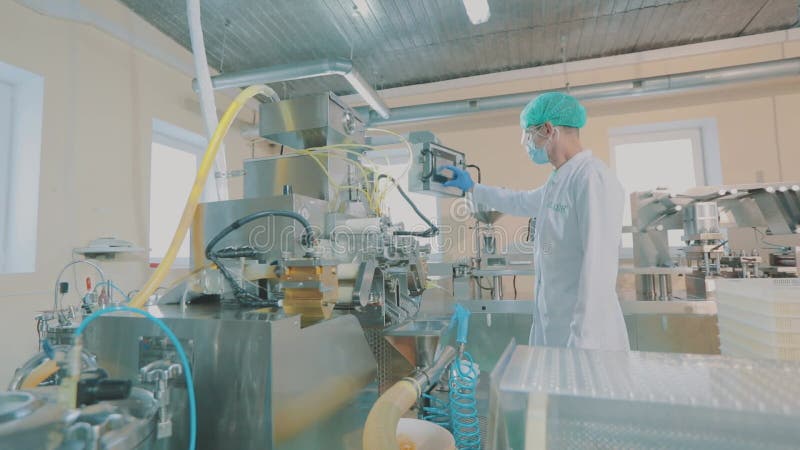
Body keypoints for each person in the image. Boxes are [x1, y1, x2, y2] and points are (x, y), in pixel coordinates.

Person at [441, 92, 629, 351]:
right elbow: (520, 202)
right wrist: (473, 188)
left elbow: (598, 268)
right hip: (557, 327)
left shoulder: (591, 178)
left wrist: (584, 341)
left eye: (529, 134)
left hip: (587, 339)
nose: (528, 143)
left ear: (549, 130)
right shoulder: (560, 179)